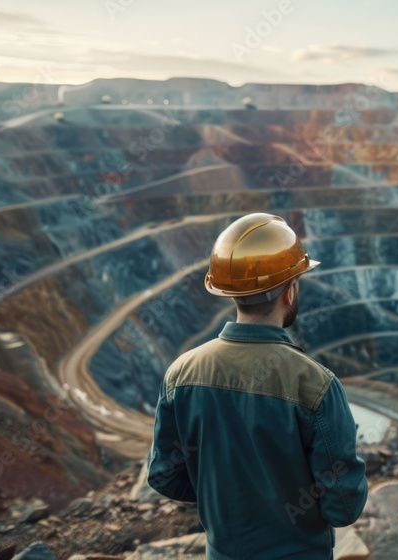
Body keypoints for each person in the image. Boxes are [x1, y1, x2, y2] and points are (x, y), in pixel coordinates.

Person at [146, 213, 368, 559]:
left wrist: (226, 501)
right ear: (290, 290)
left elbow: (164, 476)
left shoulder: (182, 374)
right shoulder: (315, 384)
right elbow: (343, 505)